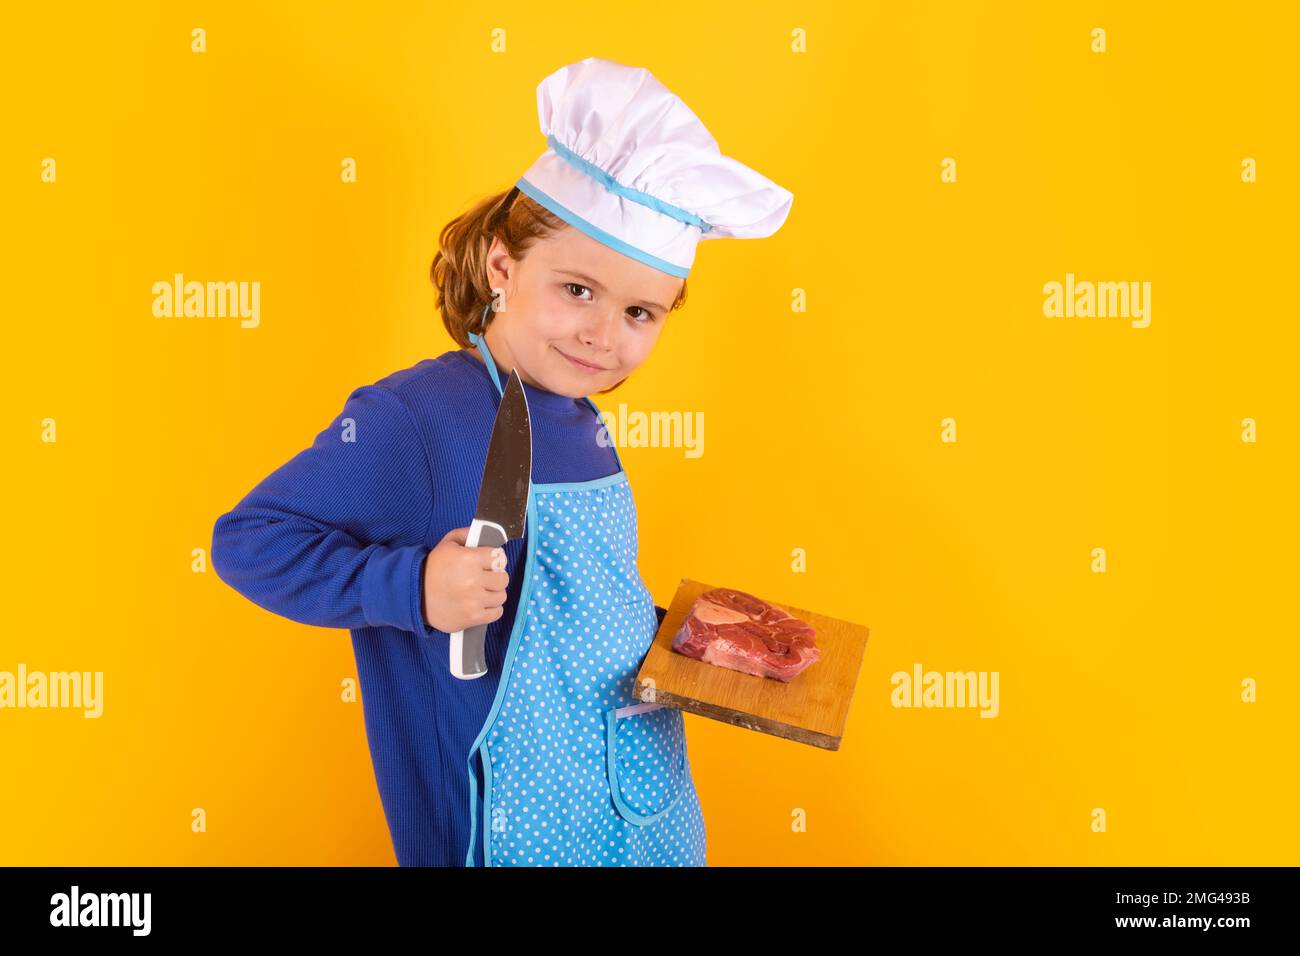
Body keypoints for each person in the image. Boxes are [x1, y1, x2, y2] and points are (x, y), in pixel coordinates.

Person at [211, 56, 793, 866]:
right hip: (511, 826)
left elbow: (575, 612)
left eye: (639, 312)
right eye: (578, 291)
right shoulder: (417, 415)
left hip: (638, 803)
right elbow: (247, 542)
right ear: (502, 267)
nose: (603, 335)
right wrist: (412, 587)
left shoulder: (582, 420)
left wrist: (689, 643)